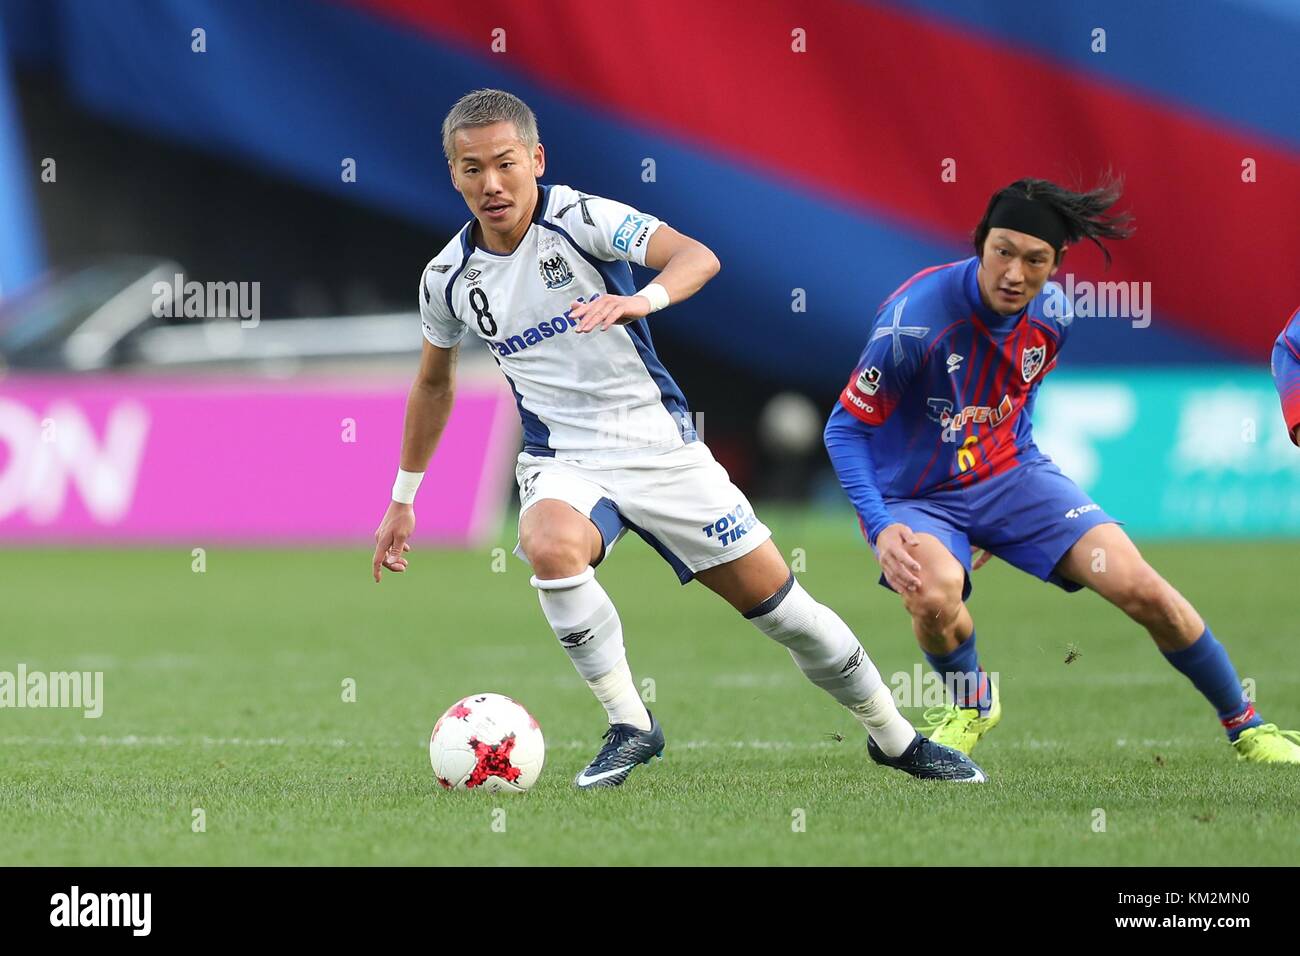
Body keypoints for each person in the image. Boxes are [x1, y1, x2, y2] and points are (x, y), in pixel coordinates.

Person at [372, 89, 985, 787]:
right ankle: (632, 723)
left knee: (790, 616)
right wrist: (404, 497)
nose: (492, 184)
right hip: (562, 457)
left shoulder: (581, 218)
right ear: (452, 174)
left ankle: (895, 737)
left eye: (506, 164)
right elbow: (432, 384)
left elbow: (697, 256)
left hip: (659, 448)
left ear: (535, 160)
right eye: (472, 169)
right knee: (549, 546)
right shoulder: (448, 278)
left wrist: (642, 298)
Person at [824, 176, 1300, 764]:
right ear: (980, 243)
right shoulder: (912, 325)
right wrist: (880, 525)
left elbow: (1017, 393)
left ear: (1056, 264)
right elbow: (844, 428)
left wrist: (998, 500)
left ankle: (1248, 728)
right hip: (917, 497)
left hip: (1010, 474)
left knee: (1142, 588)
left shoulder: (1053, 316)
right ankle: (972, 703)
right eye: (1002, 251)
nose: (1014, 273)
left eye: (1034, 259)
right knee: (933, 592)